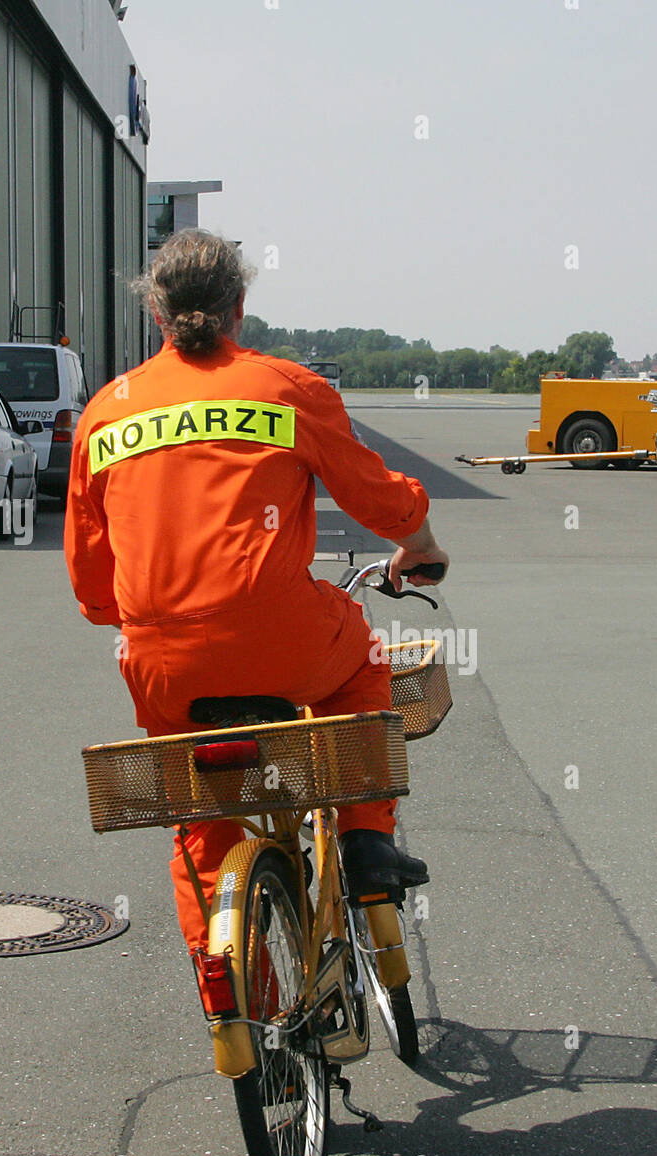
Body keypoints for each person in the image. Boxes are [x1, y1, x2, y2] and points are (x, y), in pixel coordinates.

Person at [64, 229, 448, 959]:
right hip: (285, 642)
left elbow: (91, 588)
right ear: (239, 306)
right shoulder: (285, 387)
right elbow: (376, 496)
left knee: (204, 829)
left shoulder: (105, 413)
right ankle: (367, 841)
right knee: (365, 657)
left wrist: (152, 612)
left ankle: (232, 1003)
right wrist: (420, 546)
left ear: (156, 312)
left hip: (165, 665)